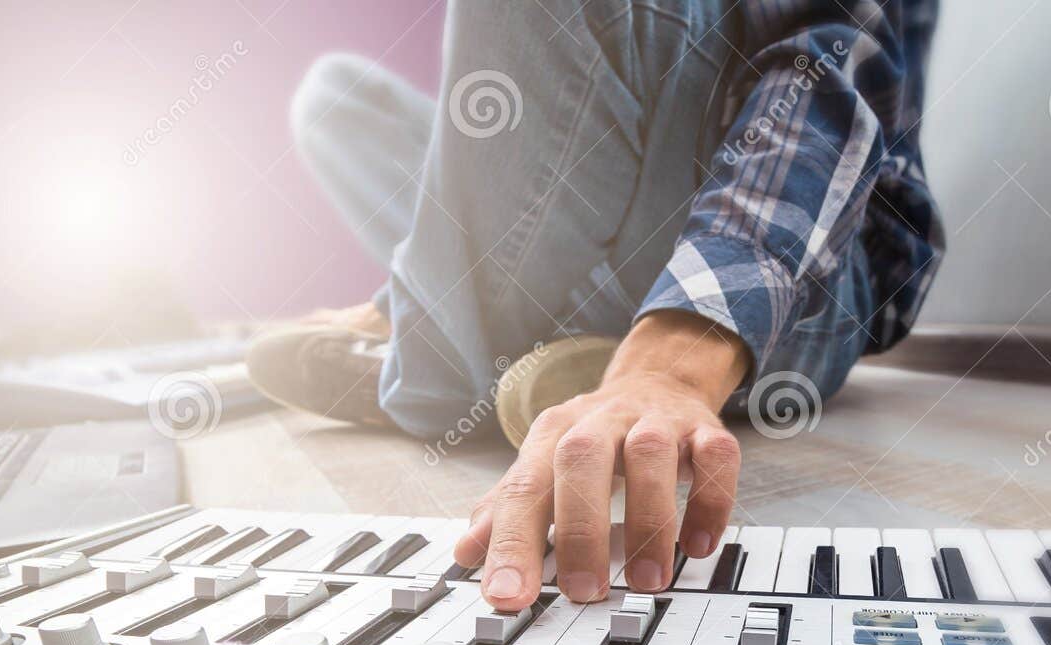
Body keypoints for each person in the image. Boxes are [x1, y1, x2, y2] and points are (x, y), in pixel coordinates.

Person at [247, 0, 943, 612]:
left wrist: (675, 362)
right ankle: (492, 334)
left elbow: (816, 81)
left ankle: (437, 353)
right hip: (621, 206)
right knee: (332, 94)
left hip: (811, 254)